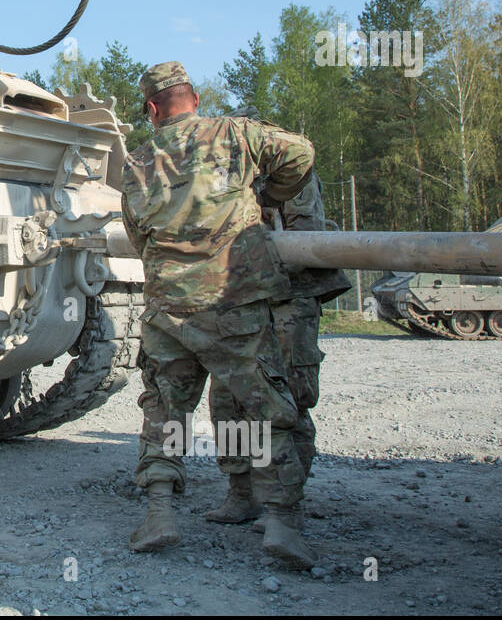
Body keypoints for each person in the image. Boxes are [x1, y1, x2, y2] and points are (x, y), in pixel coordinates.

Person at [121, 61, 319, 569]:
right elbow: (301, 153)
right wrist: (267, 197)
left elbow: (139, 237)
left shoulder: (138, 161)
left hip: (168, 308)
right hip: (235, 304)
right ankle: (280, 520)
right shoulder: (234, 134)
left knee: (165, 411)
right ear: (195, 98)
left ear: (151, 108)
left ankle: (160, 514)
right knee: (266, 406)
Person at [203, 120, 351, 529]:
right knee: (228, 397)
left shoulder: (293, 176)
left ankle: (285, 501)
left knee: (287, 398)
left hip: (289, 296)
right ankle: (240, 492)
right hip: (240, 299)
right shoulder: (225, 180)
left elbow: (301, 241)